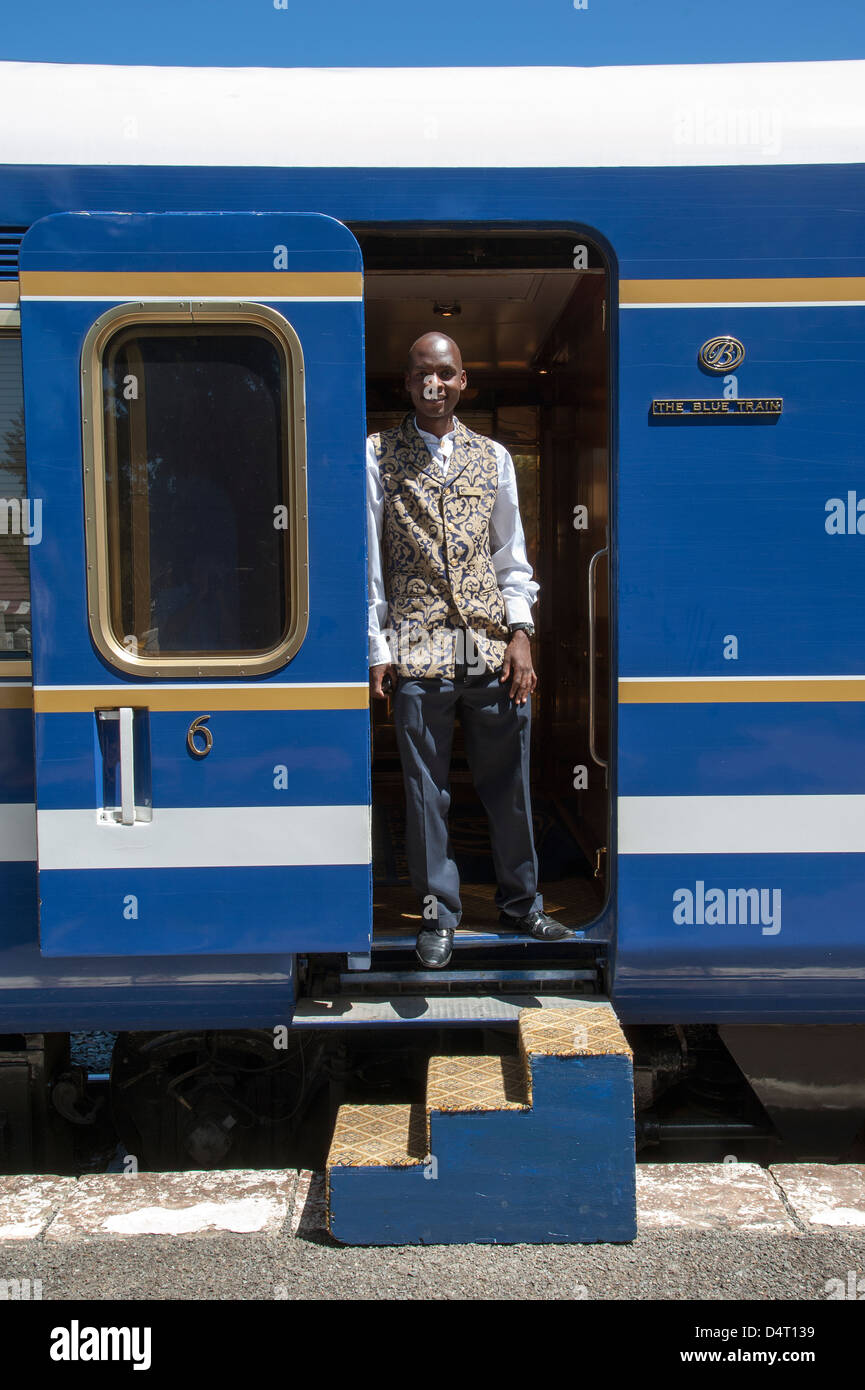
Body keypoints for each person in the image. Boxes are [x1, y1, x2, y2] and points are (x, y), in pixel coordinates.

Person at [367, 332, 573, 968]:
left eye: (446, 373)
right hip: (417, 642)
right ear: (407, 383)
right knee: (426, 790)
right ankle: (439, 913)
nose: (434, 384)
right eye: (421, 373)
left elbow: (512, 558)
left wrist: (521, 635)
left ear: (464, 383)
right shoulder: (377, 454)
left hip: (489, 645)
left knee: (508, 781)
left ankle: (523, 904)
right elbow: (368, 561)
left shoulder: (495, 457)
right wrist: (377, 646)